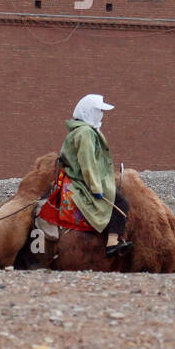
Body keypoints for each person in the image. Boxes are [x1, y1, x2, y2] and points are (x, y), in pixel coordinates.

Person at [58, 95, 132, 257]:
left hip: (80, 177)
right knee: (121, 204)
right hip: (82, 181)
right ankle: (112, 243)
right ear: (89, 112)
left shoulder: (83, 130)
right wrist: (95, 187)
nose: (101, 115)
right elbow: (88, 163)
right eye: (98, 111)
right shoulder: (85, 133)